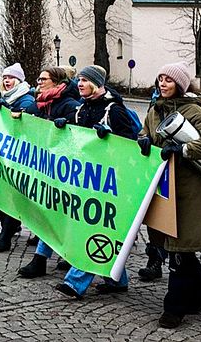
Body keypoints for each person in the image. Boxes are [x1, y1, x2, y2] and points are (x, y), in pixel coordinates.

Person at [144, 61, 201, 329]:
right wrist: (143, 140)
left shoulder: (193, 109)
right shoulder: (155, 110)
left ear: (180, 83)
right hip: (165, 187)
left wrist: (185, 150)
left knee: (179, 247)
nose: (163, 83)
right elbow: (145, 132)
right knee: (179, 247)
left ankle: (174, 307)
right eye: (160, 78)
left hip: (189, 188)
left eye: (168, 79)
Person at [52, 65, 139, 299]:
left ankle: (74, 282)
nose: (79, 83)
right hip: (86, 180)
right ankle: (117, 280)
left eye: (85, 80)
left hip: (110, 182)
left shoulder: (114, 110)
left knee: (93, 229)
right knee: (97, 228)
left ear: (98, 84)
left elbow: (129, 144)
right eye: (78, 79)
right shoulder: (82, 109)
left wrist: (109, 137)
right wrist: (64, 125)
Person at [17, 66, 82, 278]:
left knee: (61, 214)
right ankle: (42, 259)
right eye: (39, 78)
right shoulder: (42, 103)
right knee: (51, 212)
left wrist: (68, 124)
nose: (39, 82)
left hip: (67, 171)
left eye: (44, 79)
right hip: (48, 168)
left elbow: (79, 135)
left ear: (57, 82)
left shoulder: (69, 105)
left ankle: (49, 258)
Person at [0, 62, 36, 252]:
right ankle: (10, 227)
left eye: (11, 78)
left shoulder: (26, 100)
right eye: (5, 78)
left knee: (13, 196)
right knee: (2, 195)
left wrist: (6, 108)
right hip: (6, 154)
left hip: (20, 156)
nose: (7, 81)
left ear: (20, 80)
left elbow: (23, 124)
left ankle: (6, 235)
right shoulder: (8, 97)